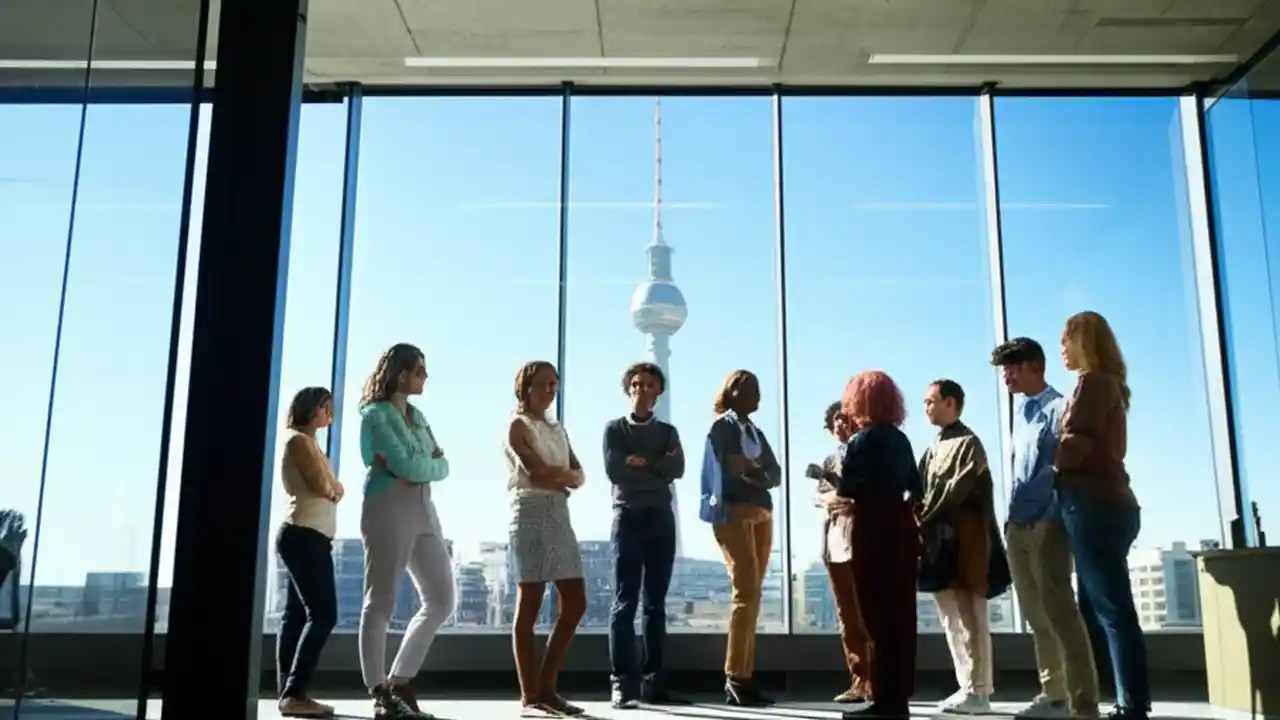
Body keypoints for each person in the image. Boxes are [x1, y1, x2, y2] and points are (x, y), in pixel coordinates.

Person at [992, 337, 1099, 718]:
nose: (1007, 374)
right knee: (1037, 615)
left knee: (1060, 613)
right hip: (1018, 523)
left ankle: (1082, 701)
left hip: (1048, 522)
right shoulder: (1021, 412)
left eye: (1013, 367)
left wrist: (1045, 514)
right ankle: (1054, 695)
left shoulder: (1059, 407)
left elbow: (1058, 468)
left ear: (1035, 366)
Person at [1056, 311, 1149, 720]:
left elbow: (1077, 445)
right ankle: (1113, 698)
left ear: (1084, 341)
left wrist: (1049, 461)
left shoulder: (1092, 384)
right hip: (1113, 503)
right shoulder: (1110, 386)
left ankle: (1131, 704)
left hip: (1092, 504)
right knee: (1098, 607)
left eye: (1066, 340)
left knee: (1111, 610)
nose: (1062, 348)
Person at [357, 344, 453, 720]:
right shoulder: (376, 415)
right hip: (388, 507)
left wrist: (423, 463)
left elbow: (441, 465)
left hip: (424, 510)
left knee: (442, 599)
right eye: (420, 371)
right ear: (401, 374)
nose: (425, 377)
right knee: (380, 600)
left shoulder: (418, 415)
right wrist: (423, 462)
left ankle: (399, 681)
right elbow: (407, 466)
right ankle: (379, 691)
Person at [835, 370, 922, 720]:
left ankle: (884, 702)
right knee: (901, 615)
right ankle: (899, 698)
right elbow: (916, 486)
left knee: (876, 617)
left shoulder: (862, 442)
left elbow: (849, 488)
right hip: (901, 528)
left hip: (872, 529)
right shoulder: (902, 440)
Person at [504, 361, 588, 716]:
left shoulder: (558, 429)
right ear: (526, 387)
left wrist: (561, 478)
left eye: (555, 383)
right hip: (531, 514)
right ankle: (531, 694)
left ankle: (548, 687)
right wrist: (562, 477)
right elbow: (534, 473)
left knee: (575, 601)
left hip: (558, 514)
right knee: (531, 601)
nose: (551, 389)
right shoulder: (516, 426)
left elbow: (580, 475)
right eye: (543, 384)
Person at [698, 369, 782, 707]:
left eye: (757, 388)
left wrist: (751, 468)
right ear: (731, 392)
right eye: (746, 388)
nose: (754, 395)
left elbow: (774, 473)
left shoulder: (755, 431)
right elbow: (728, 468)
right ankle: (735, 677)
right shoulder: (722, 428)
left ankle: (744, 676)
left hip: (762, 512)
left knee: (754, 592)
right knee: (745, 589)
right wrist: (753, 468)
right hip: (733, 512)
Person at [604, 362, 685, 709]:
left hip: (661, 520)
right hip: (628, 518)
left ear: (658, 392)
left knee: (655, 604)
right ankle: (623, 683)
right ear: (628, 390)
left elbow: (676, 469)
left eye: (649, 384)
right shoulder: (614, 429)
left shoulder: (668, 431)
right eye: (636, 384)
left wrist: (644, 463)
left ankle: (654, 682)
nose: (642, 389)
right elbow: (615, 469)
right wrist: (655, 466)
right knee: (625, 602)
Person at [918, 379, 1001, 714]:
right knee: (951, 617)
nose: (926, 407)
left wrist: (923, 515)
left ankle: (979, 690)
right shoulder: (933, 447)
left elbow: (957, 492)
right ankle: (966, 684)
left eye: (931, 401)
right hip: (939, 542)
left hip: (966, 540)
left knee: (970, 615)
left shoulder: (969, 443)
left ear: (951, 403)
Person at [275, 387, 342, 719]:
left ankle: (290, 694)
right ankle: (294, 693)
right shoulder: (299, 442)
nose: (330, 413)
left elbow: (335, 488)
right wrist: (331, 487)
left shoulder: (312, 445)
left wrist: (333, 487)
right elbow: (323, 487)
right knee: (324, 613)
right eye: (326, 407)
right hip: (305, 535)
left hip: (307, 536)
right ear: (315, 409)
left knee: (297, 616)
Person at [805, 401, 871, 704]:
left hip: (860, 538)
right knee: (846, 614)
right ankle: (858, 680)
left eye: (844, 419)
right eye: (834, 421)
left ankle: (876, 680)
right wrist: (832, 497)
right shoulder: (831, 460)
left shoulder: (866, 455)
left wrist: (844, 496)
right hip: (833, 541)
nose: (839, 425)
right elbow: (819, 496)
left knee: (867, 611)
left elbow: (865, 494)